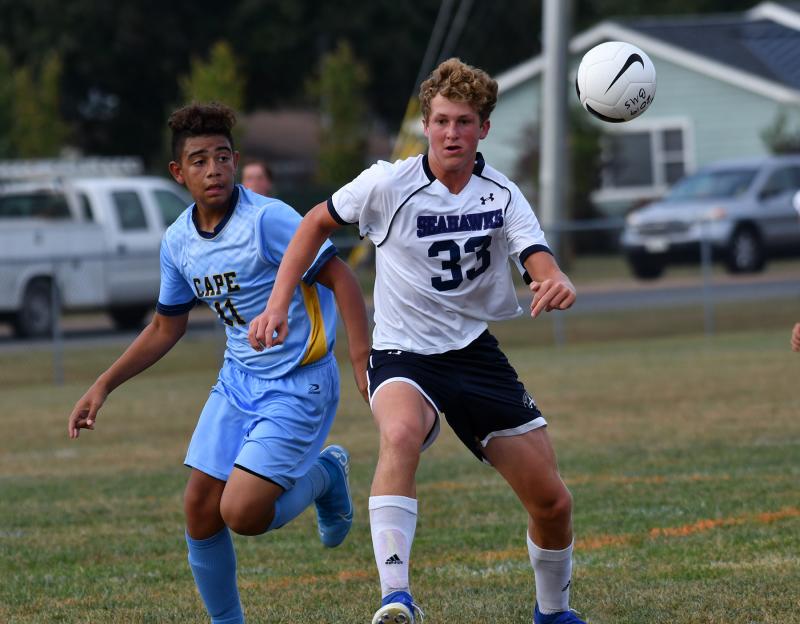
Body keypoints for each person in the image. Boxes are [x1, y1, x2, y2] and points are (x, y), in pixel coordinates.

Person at [250, 59, 586, 624]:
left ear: (484, 129)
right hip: (403, 353)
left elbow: (535, 256)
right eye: (442, 120)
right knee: (401, 432)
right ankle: (395, 598)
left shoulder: (501, 194)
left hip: (473, 354)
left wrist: (554, 279)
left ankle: (553, 613)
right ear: (425, 126)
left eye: (465, 121)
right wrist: (277, 302)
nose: (452, 133)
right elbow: (313, 224)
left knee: (552, 501)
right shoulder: (387, 183)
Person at [67, 102, 370, 624]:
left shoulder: (268, 219)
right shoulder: (178, 241)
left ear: (236, 161)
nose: (214, 170)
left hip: (299, 383)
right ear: (178, 172)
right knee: (200, 509)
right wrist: (104, 385)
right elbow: (167, 325)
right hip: (238, 382)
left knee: (243, 513)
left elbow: (341, 277)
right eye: (200, 160)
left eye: (223, 157)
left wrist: (361, 357)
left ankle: (326, 474)